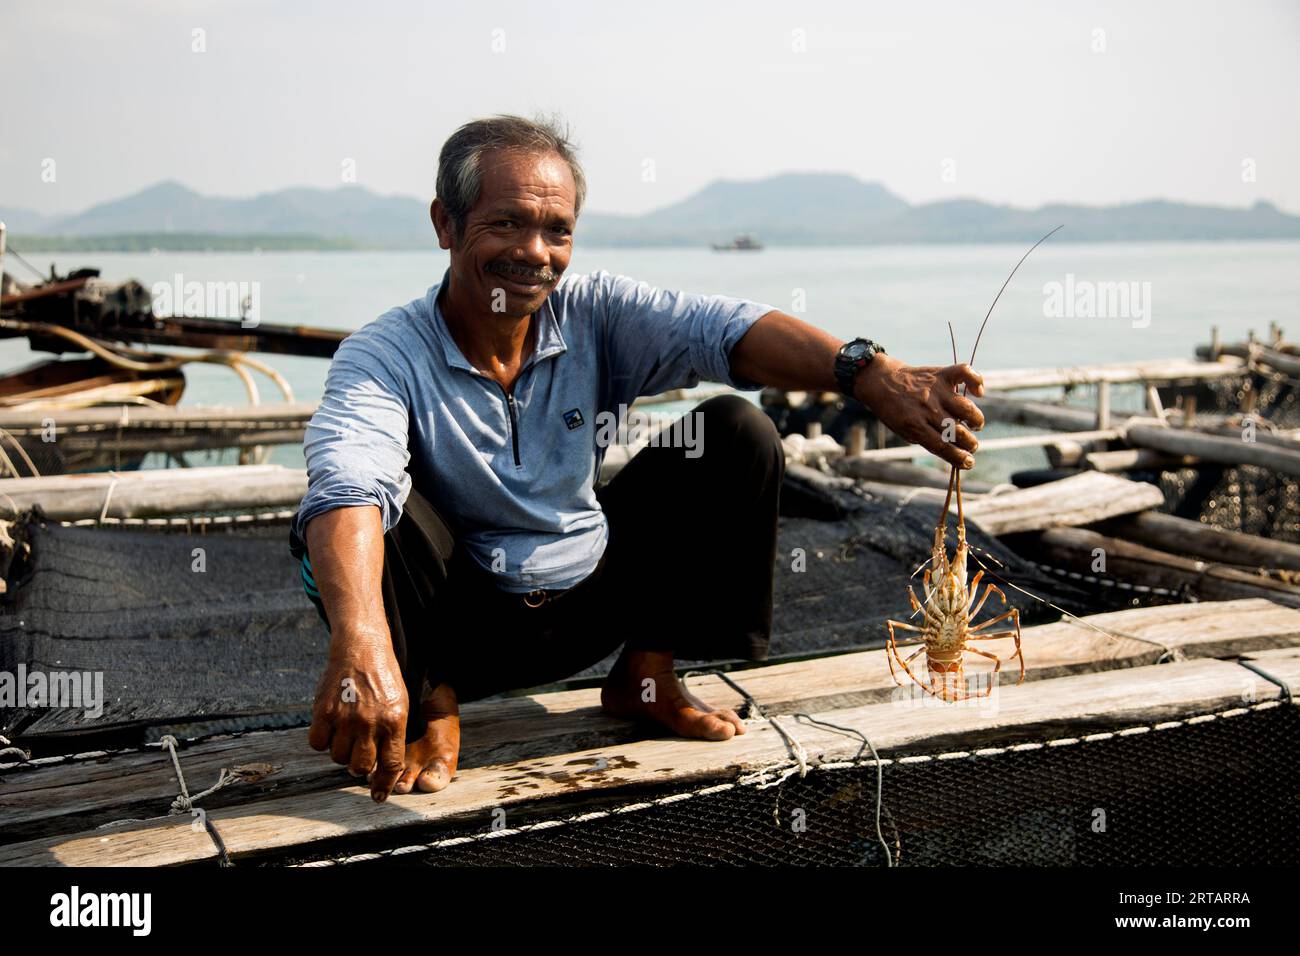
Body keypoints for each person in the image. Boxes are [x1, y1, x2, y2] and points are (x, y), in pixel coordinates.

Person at [290, 114, 985, 802]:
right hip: (458, 632)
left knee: (737, 430)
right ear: (446, 225)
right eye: (506, 223)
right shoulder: (384, 354)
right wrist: (361, 641)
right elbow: (347, 476)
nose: (535, 252)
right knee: (365, 509)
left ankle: (645, 676)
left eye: (557, 230)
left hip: (585, 603)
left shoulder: (596, 312)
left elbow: (725, 329)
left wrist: (866, 372)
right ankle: (429, 705)